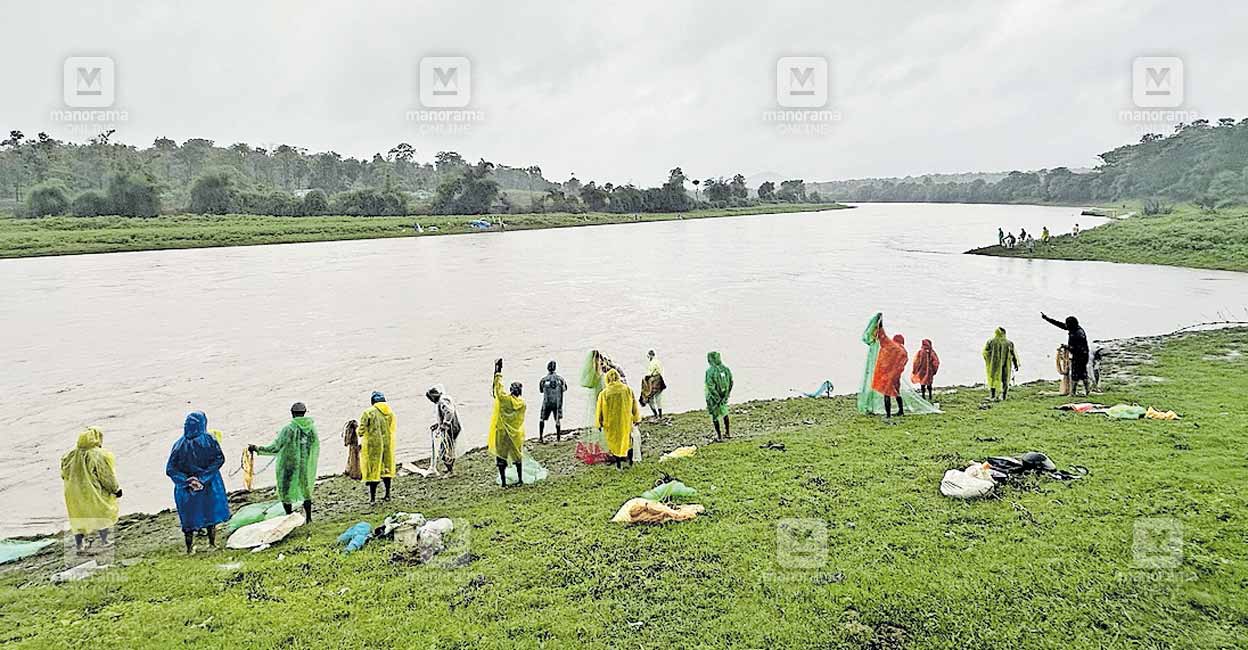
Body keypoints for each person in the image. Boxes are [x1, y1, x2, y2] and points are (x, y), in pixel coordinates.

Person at [166, 412, 230, 554]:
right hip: (209, 485)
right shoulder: (210, 440)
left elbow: (170, 469)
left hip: (186, 489)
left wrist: (187, 480)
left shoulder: (178, 445)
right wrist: (202, 478)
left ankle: (189, 548)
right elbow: (219, 459)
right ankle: (212, 544)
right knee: (210, 514)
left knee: (188, 519)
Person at [249, 402, 319, 523]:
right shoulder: (312, 429)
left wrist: (257, 448)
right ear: (304, 413)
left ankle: (289, 516)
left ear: (292, 414)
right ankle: (308, 518)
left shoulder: (288, 429)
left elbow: (275, 447)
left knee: (285, 490)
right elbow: (315, 446)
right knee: (305, 489)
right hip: (304, 464)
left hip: (289, 464)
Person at [61, 427, 122, 553]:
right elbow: (106, 476)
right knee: (102, 513)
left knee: (78, 517)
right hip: (93, 491)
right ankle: (104, 541)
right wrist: (115, 489)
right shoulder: (99, 455)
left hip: (73, 492)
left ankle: (79, 545)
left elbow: (63, 474)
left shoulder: (69, 455)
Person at [576, 350, 623, 464]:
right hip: (603, 401)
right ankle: (610, 449)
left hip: (599, 400)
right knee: (607, 424)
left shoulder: (595, 375)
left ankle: (608, 448)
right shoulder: (600, 375)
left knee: (601, 424)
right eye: (599, 360)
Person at [489, 358, 526, 487]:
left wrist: (498, 371)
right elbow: (520, 419)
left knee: (501, 457)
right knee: (517, 456)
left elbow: (498, 389)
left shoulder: (504, 400)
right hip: (515, 434)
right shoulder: (522, 404)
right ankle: (520, 479)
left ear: (511, 390)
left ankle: (504, 482)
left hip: (502, 433)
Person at [597, 369, 641, 468]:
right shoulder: (627, 389)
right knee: (627, 441)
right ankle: (630, 462)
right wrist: (636, 418)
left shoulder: (604, 393)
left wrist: (599, 423)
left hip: (611, 423)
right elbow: (634, 405)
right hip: (625, 421)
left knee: (615, 443)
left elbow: (599, 410)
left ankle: (618, 465)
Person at [358, 391, 397, 503]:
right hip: (387, 444)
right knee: (387, 469)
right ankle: (388, 494)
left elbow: (361, 431)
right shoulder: (390, 413)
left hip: (373, 446)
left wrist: (356, 430)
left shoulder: (368, 413)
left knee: (373, 471)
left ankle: (373, 498)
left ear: (372, 401)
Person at [1042, 312, 1091, 396]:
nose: (1066, 326)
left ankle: (1073, 393)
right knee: (1082, 373)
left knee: (1076, 373)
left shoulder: (1078, 334)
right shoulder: (1074, 328)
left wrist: (1067, 347)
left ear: (1071, 325)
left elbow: (1077, 349)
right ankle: (1086, 391)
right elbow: (1060, 325)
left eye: (1067, 324)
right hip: (1083, 354)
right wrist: (1047, 319)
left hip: (1080, 355)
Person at [871, 321, 909, 418]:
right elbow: (903, 364)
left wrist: (880, 325)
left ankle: (888, 415)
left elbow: (883, 337)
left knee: (886, 393)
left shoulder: (892, 346)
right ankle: (901, 411)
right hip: (896, 376)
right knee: (896, 392)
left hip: (888, 375)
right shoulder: (904, 351)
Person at [425, 384, 462, 475]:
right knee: (449, 449)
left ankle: (451, 471)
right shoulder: (443, 400)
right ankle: (450, 469)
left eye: (430, 398)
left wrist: (445, 424)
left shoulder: (442, 401)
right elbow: (444, 414)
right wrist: (437, 425)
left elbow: (449, 412)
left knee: (443, 451)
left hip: (451, 429)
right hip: (453, 427)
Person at [983, 328, 1020, 400]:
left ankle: (993, 396)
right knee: (1005, 380)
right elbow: (1013, 354)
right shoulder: (1009, 343)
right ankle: (1004, 396)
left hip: (994, 365)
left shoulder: (991, 342)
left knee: (993, 378)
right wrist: (1016, 364)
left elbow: (985, 352)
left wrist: (989, 358)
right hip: (1006, 364)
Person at [704, 351, 734, 440]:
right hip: (724, 396)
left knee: (715, 416)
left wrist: (716, 397)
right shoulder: (726, 369)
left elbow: (710, 385)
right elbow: (731, 382)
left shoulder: (710, 371)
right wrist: (726, 395)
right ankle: (728, 432)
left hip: (713, 398)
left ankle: (719, 436)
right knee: (725, 413)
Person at [538, 361, 567, 442]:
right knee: (557, 420)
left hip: (547, 402)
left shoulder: (543, 380)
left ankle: (540, 437)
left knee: (542, 419)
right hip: (557, 403)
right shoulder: (560, 379)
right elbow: (565, 389)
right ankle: (558, 438)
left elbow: (541, 390)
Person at [640, 350, 667, 419]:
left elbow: (649, 374)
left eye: (648, 356)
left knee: (649, 398)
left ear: (650, 355)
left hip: (653, 381)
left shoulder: (652, 363)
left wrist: (644, 379)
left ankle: (655, 414)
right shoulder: (658, 361)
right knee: (659, 398)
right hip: (660, 380)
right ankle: (660, 415)